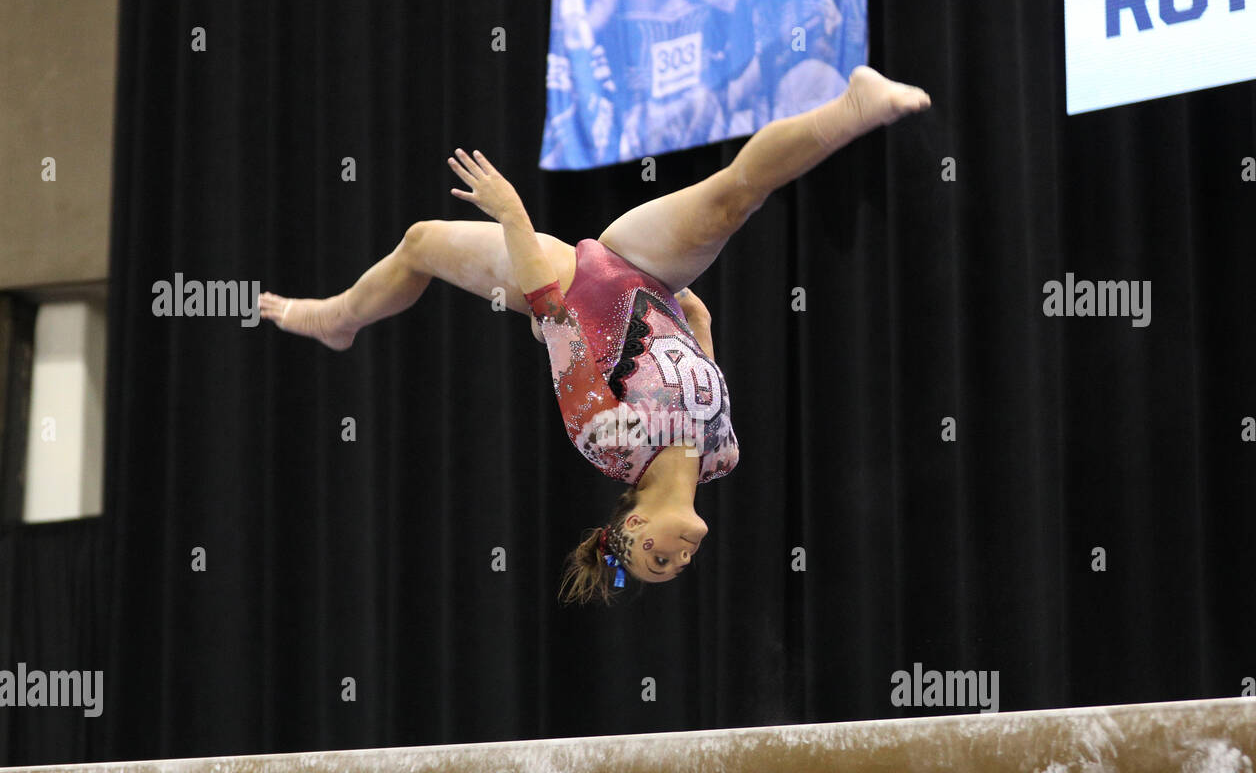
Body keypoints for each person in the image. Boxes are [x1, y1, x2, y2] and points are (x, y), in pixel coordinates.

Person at [258, 66, 930, 604]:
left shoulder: (610, 445)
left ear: (630, 526)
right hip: (647, 276)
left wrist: (514, 214)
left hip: (571, 283)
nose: (679, 556)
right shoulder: (723, 455)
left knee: (421, 242)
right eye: (677, 566)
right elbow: (700, 336)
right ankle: (857, 108)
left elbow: (552, 316)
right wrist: (683, 304)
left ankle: (335, 317)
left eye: (655, 558)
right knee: (732, 197)